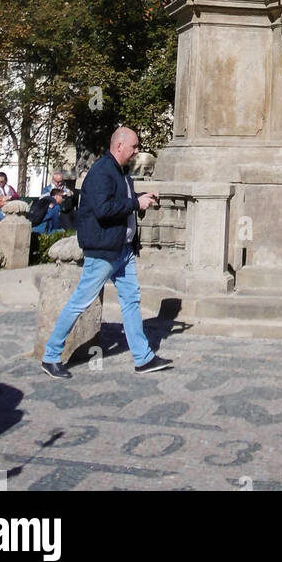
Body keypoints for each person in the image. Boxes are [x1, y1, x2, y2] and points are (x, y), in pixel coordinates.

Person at [41, 127, 171, 378]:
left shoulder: (120, 171)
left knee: (131, 299)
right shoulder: (102, 171)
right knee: (81, 301)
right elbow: (103, 209)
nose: (136, 152)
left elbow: (120, 201)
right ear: (119, 145)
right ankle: (51, 355)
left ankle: (143, 358)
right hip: (104, 249)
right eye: (133, 147)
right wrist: (135, 202)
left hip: (122, 248)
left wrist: (140, 198)